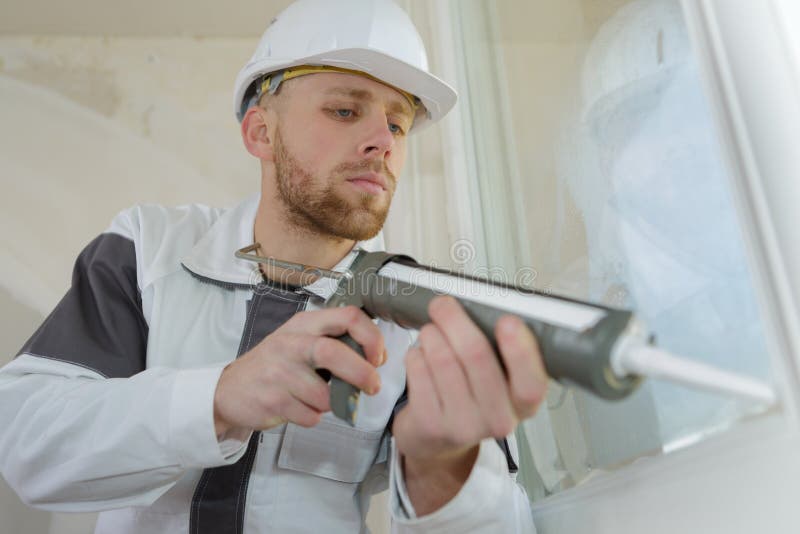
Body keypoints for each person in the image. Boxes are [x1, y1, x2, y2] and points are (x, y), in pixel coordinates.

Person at [0, 0, 547, 532]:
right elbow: (25, 442)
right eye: (345, 110)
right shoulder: (147, 249)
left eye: (398, 125)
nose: (383, 142)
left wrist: (442, 469)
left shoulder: (418, 315)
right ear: (261, 132)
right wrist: (219, 397)